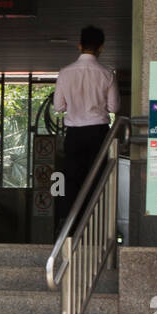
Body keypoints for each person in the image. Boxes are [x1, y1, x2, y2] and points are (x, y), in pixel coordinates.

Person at [52, 25, 120, 225]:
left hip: (74, 134)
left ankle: (71, 224)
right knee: (97, 178)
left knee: (72, 179)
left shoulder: (65, 73)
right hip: (98, 132)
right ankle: (96, 222)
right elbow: (114, 107)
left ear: (79, 45)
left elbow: (58, 107)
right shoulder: (107, 73)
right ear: (101, 48)